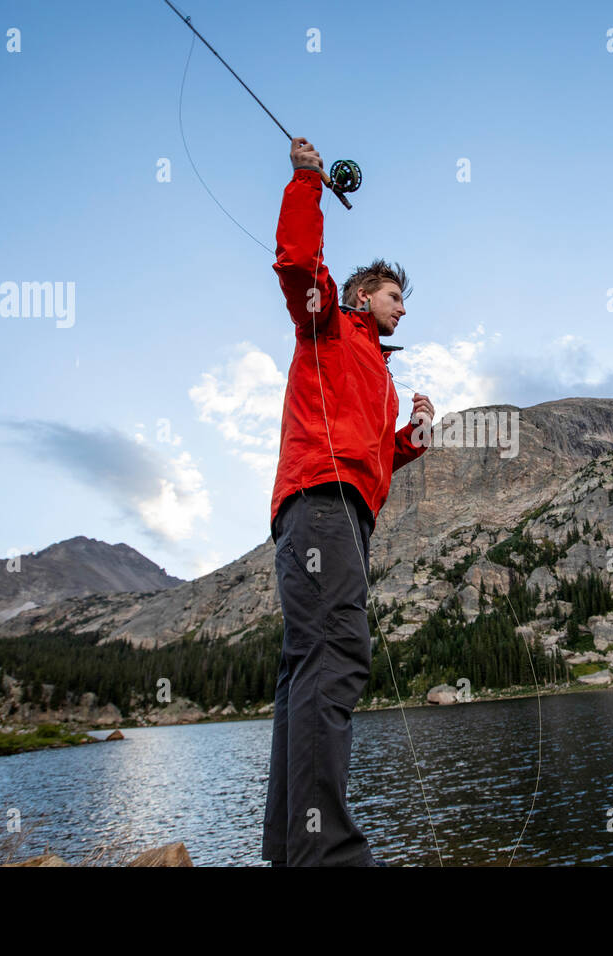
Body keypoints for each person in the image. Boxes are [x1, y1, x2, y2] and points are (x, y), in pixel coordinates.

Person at [261, 136, 434, 867]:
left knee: (306, 664)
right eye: (397, 296)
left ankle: (291, 850)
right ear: (364, 294)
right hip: (321, 506)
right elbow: (299, 265)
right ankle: (327, 855)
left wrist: (413, 437)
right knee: (336, 653)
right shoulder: (329, 321)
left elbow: (378, 452)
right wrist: (307, 181)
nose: (404, 310)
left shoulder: (381, 372)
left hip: (337, 511)